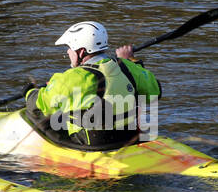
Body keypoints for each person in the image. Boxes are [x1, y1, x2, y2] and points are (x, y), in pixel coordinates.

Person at [24, 20, 161, 148]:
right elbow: (155, 92)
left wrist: (30, 92)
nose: (67, 52)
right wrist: (132, 62)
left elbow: (41, 104)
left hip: (94, 145)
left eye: (69, 48)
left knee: (34, 112)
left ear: (81, 52)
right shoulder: (125, 65)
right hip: (129, 138)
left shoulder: (74, 77)